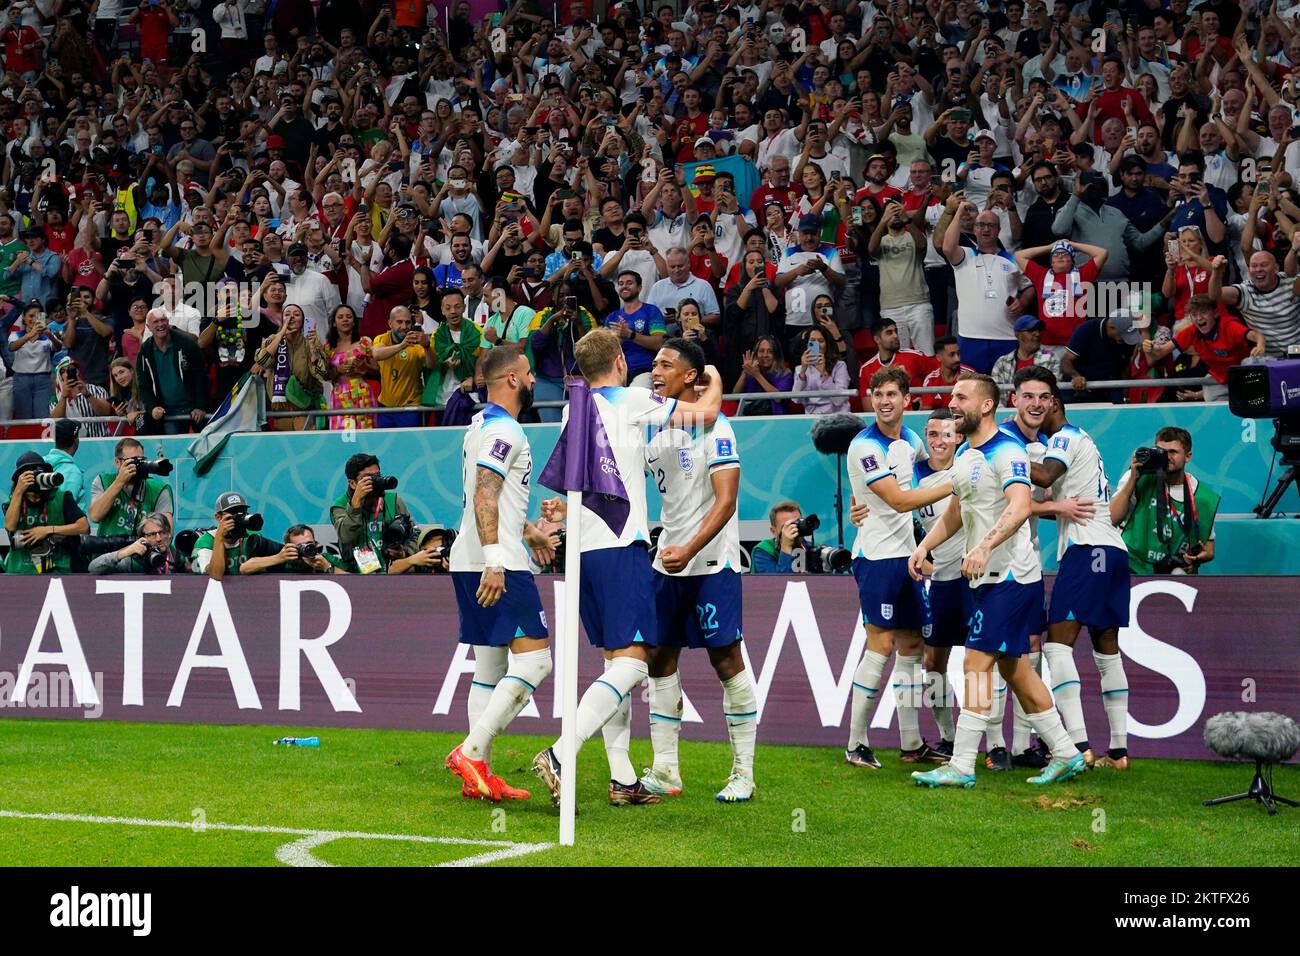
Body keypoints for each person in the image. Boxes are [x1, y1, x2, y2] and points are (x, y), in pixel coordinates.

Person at [532, 328, 723, 809]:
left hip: (581, 551)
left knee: (614, 662)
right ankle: (561, 753)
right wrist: (715, 376)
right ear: (620, 361)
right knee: (635, 663)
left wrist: (557, 516)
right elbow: (707, 415)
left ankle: (621, 779)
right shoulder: (632, 400)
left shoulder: (574, 409)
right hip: (620, 546)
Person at [907, 374, 1085, 789]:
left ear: (986, 406)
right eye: (952, 395)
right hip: (984, 578)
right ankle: (1066, 753)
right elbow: (956, 510)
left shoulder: (1008, 449)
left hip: (1010, 576)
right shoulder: (967, 455)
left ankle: (962, 764)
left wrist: (985, 546)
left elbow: (1022, 505)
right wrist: (925, 547)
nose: (952, 402)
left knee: (975, 663)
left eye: (961, 397)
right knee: (1016, 669)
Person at [641, 337, 758, 804]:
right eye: (653, 363)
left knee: (725, 659)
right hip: (668, 560)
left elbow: (727, 502)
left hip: (711, 562)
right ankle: (666, 770)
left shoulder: (718, 430)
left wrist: (689, 547)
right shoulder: (653, 424)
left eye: (666, 364)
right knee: (658, 658)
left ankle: (743, 774)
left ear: (690, 377)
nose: (655, 370)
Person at [445, 345, 557, 803]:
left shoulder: (480, 426)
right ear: (511, 379)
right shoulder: (506, 430)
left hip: (472, 555)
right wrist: (497, 558)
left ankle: (480, 775)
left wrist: (527, 529)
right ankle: (471, 753)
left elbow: (492, 493)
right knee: (537, 661)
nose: (533, 382)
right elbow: (485, 496)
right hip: (496, 562)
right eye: (529, 375)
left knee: (490, 668)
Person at [843, 367, 957, 768]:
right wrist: (961, 483)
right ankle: (856, 744)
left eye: (892, 393)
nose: (884, 401)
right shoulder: (864, 447)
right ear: (870, 399)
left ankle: (911, 743)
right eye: (877, 394)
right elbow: (898, 500)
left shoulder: (910, 440)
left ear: (906, 399)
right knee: (882, 645)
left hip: (907, 556)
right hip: (876, 557)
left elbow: (930, 469)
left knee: (912, 647)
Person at [1024, 368, 1133, 771]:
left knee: (1056, 645)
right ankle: (1118, 753)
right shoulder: (1082, 441)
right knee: (1106, 649)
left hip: (1088, 551)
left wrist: (1004, 450)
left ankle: (1079, 745)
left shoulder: (1066, 438)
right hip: (1112, 551)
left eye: (1041, 400)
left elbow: (1044, 476)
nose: (1034, 407)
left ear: (1053, 402)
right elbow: (1064, 503)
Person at [1110, 426, 1220, 576]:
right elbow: (1111, 519)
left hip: (1174, 572)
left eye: (1173, 452)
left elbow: (1209, 550)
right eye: (1161, 451)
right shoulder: (1138, 479)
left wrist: (1195, 559)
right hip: (1133, 568)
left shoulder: (1202, 497)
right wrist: (1132, 480)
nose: (1166, 457)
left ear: (1188, 456)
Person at [942, 202, 1025, 375]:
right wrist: (959, 211)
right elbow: (948, 247)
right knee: (973, 392)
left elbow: (1029, 287)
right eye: (980, 225)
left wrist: (1022, 302)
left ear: (998, 230)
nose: (985, 229)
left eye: (991, 225)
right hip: (970, 338)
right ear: (974, 228)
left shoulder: (1012, 259)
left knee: (1006, 393)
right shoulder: (965, 255)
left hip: (1006, 337)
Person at [1142, 294, 1264, 402]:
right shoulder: (1191, 332)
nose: (1199, 318)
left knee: (1252, 364)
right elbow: (1159, 353)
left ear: (1215, 313)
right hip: (1219, 378)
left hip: (1244, 374)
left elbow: (1256, 335)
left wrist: (1260, 345)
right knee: (1212, 401)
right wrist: (1150, 348)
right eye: (1194, 314)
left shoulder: (1229, 326)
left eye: (1203, 312)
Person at [330, 453, 418, 575]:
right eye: (368, 478)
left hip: (392, 572)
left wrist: (406, 552)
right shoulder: (340, 505)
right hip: (356, 575)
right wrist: (355, 506)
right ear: (353, 483)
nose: (376, 481)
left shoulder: (393, 500)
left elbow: (414, 532)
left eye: (377, 476)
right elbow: (346, 536)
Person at [3, 452, 89, 575]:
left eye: (38, 494)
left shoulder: (62, 497)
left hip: (58, 571)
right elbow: (10, 526)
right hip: (20, 572)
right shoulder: (14, 501)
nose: (36, 498)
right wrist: (18, 491)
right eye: (31, 495)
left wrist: (48, 530)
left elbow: (84, 527)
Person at [1209, 252, 1300, 361]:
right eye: (1254, 266)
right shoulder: (1245, 292)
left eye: (1264, 265)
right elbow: (1215, 296)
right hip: (1269, 359)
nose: (1258, 269)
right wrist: (1216, 272)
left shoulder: (1290, 282)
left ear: (1276, 268)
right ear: (1249, 270)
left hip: (1297, 352)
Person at [135, 310, 207, 435]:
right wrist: (152, 408)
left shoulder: (187, 344)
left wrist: (200, 406)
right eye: (156, 322)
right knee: (174, 451)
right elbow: (144, 385)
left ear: (168, 323)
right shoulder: (145, 350)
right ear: (148, 327)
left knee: (208, 447)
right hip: (168, 413)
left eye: (163, 320)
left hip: (194, 410)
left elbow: (201, 377)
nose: (160, 324)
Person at [87, 438, 176, 538]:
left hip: (144, 549)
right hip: (109, 550)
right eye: (133, 461)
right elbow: (95, 516)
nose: (138, 466)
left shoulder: (158, 489)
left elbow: (167, 534)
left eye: (141, 461)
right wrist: (119, 482)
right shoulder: (103, 481)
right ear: (117, 462)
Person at [1060, 308, 1146, 404]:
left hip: (1109, 385)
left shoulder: (1127, 340)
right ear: (1111, 327)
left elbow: (1125, 366)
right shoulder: (1086, 329)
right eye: (1124, 334)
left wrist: (1125, 392)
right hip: (1078, 387)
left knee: (1120, 411)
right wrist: (1075, 376)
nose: (1126, 338)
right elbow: (1066, 360)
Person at [191, 492, 282, 580]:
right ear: (218, 517)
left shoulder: (251, 537)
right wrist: (219, 537)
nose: (238, 518)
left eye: (242, 513)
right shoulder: (205, 541)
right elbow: (216, 575)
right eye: (233, 513)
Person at [372, 305, 437, 428]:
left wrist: (427, 346)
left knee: (408, 446)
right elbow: (376, 354)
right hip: (385, 407)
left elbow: (432, 364)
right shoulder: (382, 339)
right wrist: (402, 345)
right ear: (390, 324)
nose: (404, 327)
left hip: (410, 408)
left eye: (408, 322)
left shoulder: (417, 344)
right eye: (399, 322)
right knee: (385, 446)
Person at [857, 317, 937, 410]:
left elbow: (937, 378)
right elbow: (869, 408)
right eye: (889, 333)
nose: (895, 336)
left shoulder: (914, 357)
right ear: (877, 339)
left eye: (895, 331)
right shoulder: (866, 369)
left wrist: (925, 401)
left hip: (916, 415)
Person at [605, 271, 667, 389]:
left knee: (636, 401)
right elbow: (606, 352)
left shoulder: (651, 311)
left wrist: (630, 335)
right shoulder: (612, 317)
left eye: (629, 283)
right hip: (617, 374)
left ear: (639, 287)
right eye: (621, 283)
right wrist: (618, 339)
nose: (624, 286)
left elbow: (660, 343)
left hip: (645, 370)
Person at [991, 317, 1063, 402]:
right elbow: (995, 395)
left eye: (1039, 330)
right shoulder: (1002, 362)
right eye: (1031, 330)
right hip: (1008, 412)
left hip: (1040, 410)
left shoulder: (1051, 358)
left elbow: (1053, 392)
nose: (1037, 334)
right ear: (1018, 334)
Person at [88, 511, 184, 574]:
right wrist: (124, 552)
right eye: (152, 534)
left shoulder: (175, 553)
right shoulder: (134, 560)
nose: (158, 539)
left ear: (168, 533)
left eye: (162, 532)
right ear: (143, 538)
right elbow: (93, 568)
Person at [791, 324, 850, 414]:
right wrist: (803, 371)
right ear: (807, 345)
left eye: (821, 341)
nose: (817, 345)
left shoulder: (839, 366)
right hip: (812, 419)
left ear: (827, 344)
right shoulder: (800, 370)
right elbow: (796, 399)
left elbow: (839, 400)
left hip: (837, 417)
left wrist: (824, 373)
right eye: (812, 341)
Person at [733, 334, 793, 415]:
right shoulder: (751, 372)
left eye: (770, 352)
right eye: (761, 351)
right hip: (749, 417)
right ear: (756, 354)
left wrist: (757, 375)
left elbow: (778, 398)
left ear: (776, 355)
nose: (765, 355)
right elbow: (735, 395)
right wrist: (745, 372)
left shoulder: (785, 374)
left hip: (775, 419)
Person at [750, 499, 814, 573]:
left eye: (797, 523)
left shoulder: (813, 548)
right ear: (773, 531)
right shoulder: (763, 550)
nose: (793, 529)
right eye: (787, 526)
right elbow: (777, 583)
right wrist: (786, 547)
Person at [917, 336, 975, 410]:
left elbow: (974, 408)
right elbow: (926, 412)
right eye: (952, 355)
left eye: (958, 354)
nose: (957, 359)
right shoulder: (931, 380)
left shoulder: (969, 375)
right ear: (938, 357)